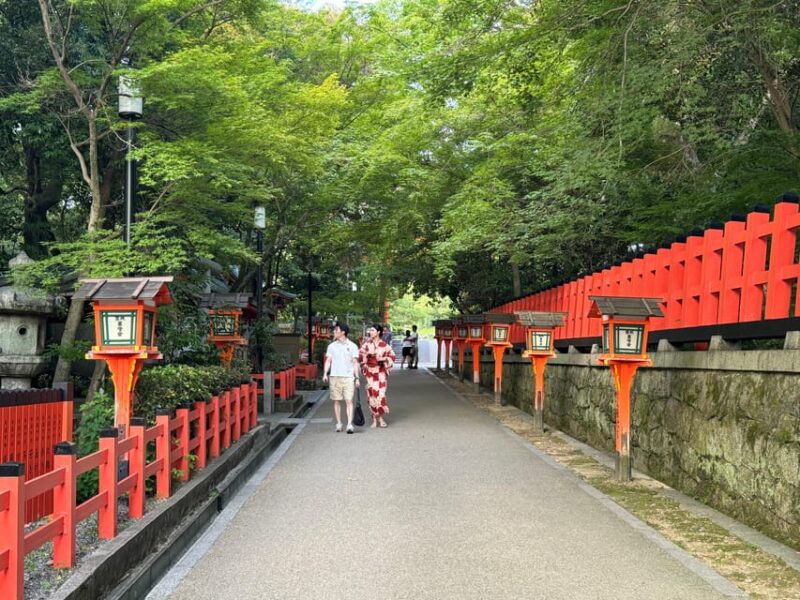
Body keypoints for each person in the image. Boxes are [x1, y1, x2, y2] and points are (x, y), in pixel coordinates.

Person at [322, 322, 360, 434]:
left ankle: (349, 424)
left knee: (349, 400)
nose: (334, 332)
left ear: (343, 332)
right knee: (336, 400)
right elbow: (328, 360)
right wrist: (325, 373)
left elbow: (355, 363)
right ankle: (339, 423)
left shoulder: (353, 346)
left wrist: (357, 378)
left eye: (336, 330)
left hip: (348, 377)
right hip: (334, 376)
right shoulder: (331, 346)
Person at [359, 323, 396, 428]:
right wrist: (366, 357)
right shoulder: (366, 345)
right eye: (370, 330)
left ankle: (380, 417)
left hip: (380, 373)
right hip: (370, 373)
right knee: (371, 395)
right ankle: (375, 418)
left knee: (380, 395)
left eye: (372, 330)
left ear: (378, 332)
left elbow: (392, 356)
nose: (370, 332)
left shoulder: (384, 345)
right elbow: (360, 356)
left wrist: (383, 359)